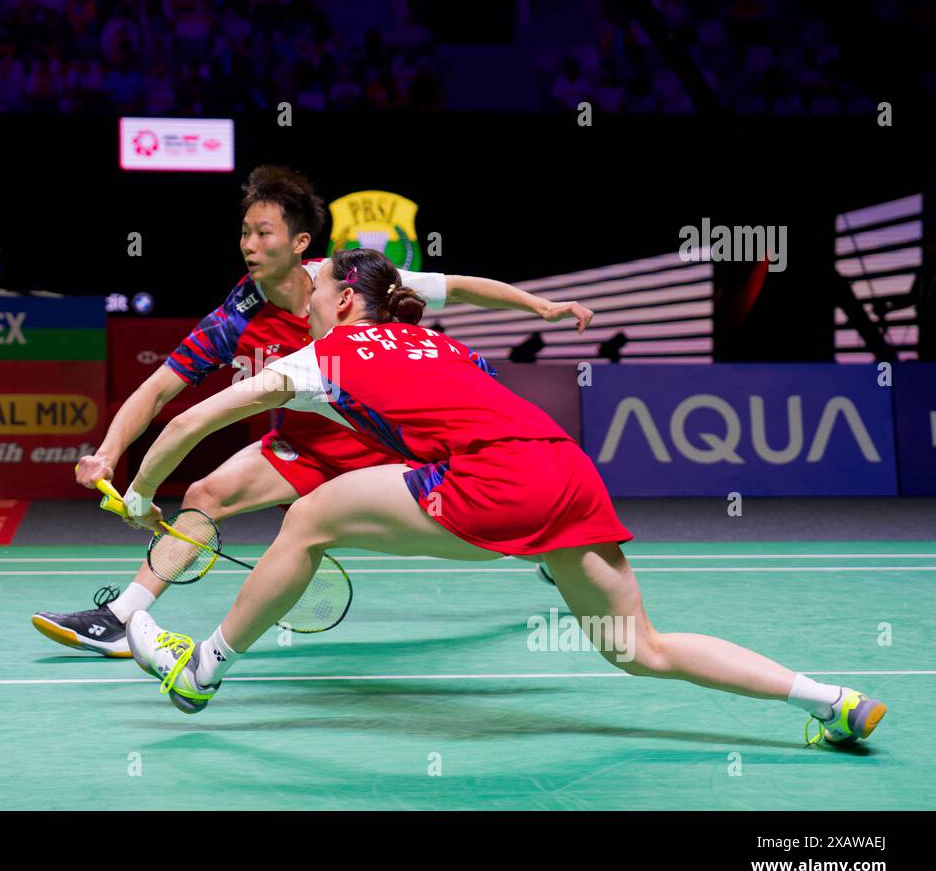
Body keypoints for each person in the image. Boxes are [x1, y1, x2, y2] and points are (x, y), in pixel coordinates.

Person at [115, 248, 887, 749]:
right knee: (637, 648)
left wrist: (144, 493)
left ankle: (202, 669)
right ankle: (828, 700)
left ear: (348, 300)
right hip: (569, 471)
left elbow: (191, 418)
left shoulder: (325, 354)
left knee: (311, 517)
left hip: (494, 480)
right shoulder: (439, 343)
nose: (305, 299)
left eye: (315, 288)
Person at [32, 166, 593, 657]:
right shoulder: (238, 316)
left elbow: (458, 286)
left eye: (263, 232)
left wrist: (539, 306)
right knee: (205, 495)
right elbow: (160, 390)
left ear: (301, 242)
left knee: (468, 511)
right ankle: (122, 618)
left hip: (384, 450)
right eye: (244, 232)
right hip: (302, 448)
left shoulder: (352, 281)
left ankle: (543, 546)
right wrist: (108, 454)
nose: (248, 244)